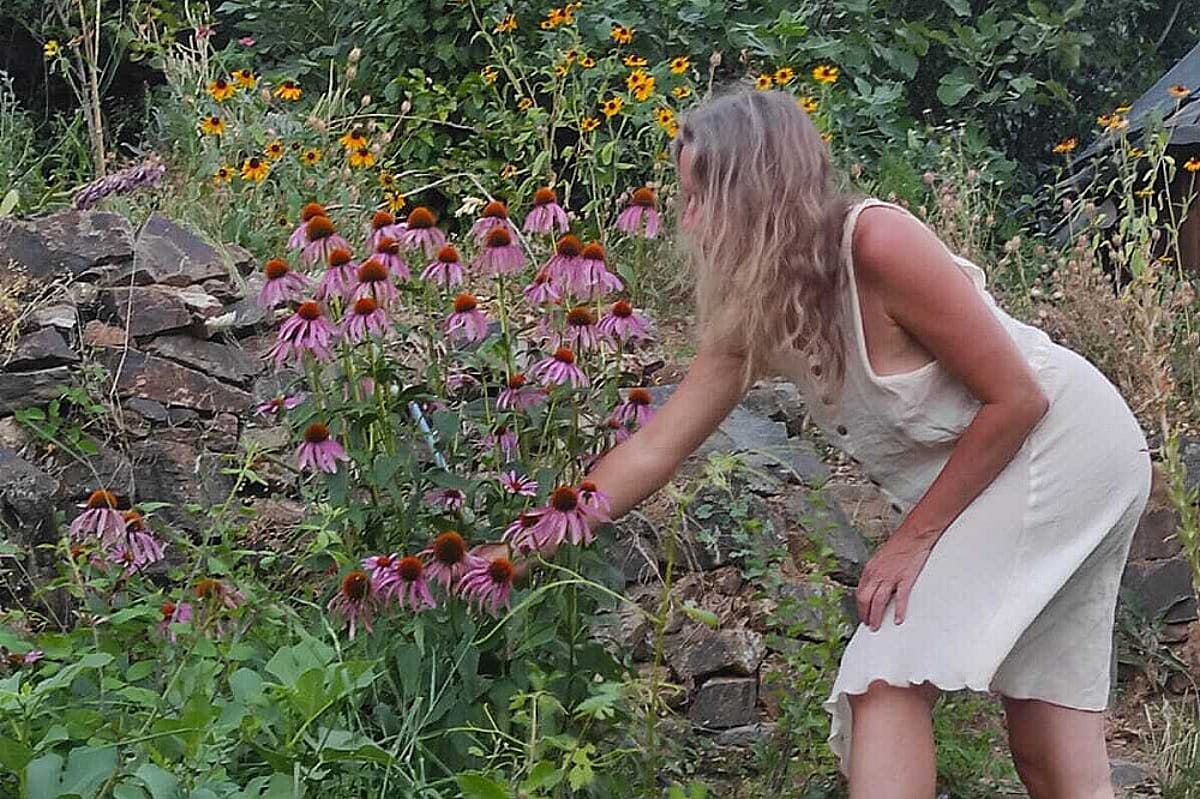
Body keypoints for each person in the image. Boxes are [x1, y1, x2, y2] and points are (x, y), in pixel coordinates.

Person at [582, 90, 1151, 798]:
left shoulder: (877, 244)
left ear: (757, 189)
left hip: (1062, 446)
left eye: (702, 198)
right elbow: (654, 450)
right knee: (1046, 745)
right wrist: (528, 539)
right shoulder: (755, 308)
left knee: (885, 675)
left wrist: (913, 540)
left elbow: (1018, 399)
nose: (687, 221)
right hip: (1028, 463)